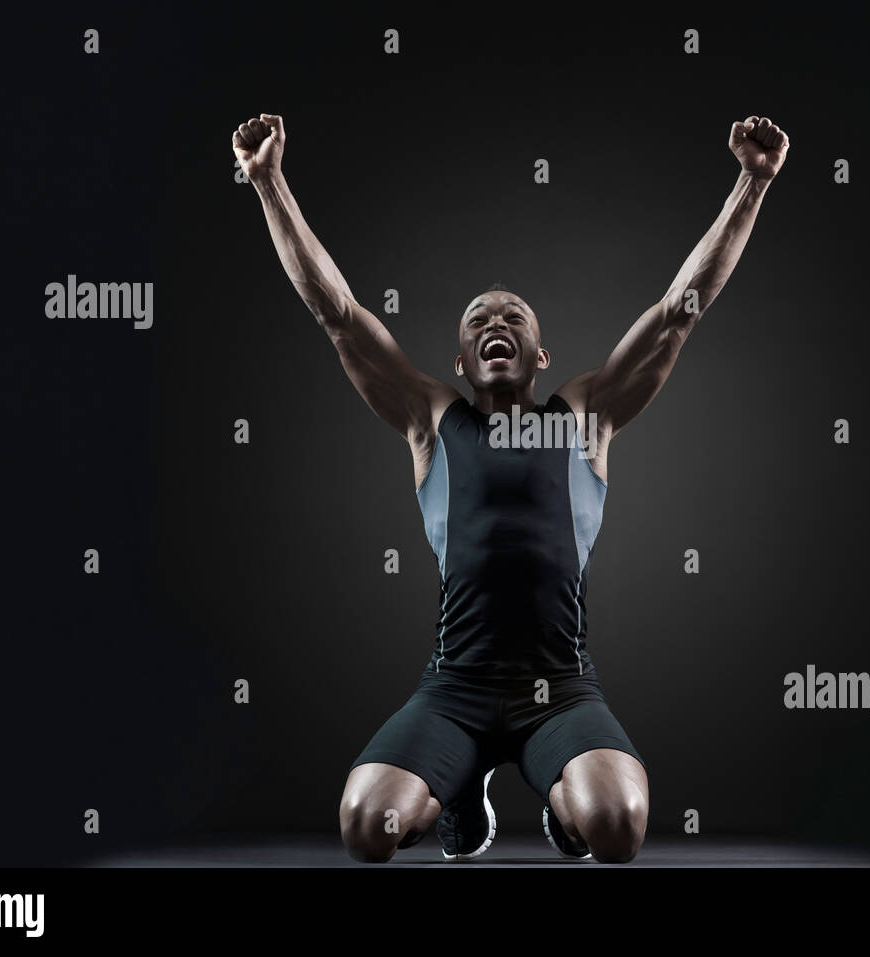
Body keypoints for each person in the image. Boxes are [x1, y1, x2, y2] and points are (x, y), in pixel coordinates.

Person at [232, 110, 789, 863]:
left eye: (514, 316)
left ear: (539, 354)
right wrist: (268, 182)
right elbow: (338, 315)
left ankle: (564, 809)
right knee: (368, 828)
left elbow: (675, 317)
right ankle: (459, 790)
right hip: (453, 689)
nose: (496, 320)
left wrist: (752, 183)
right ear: (461, 362)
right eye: (478, 319)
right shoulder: (432, 420)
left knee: (616, 827)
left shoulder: (584, 416)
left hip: (560, 689)